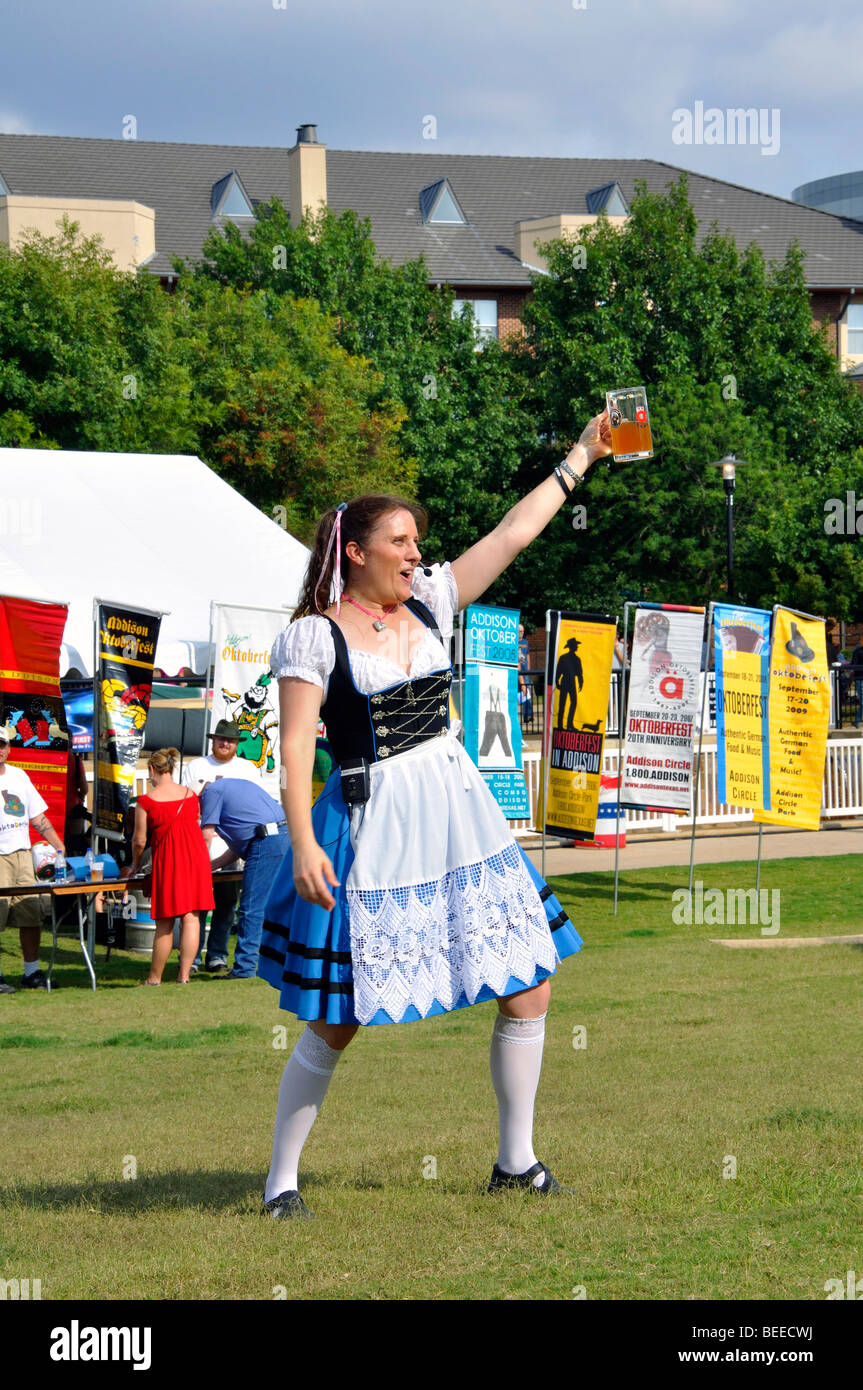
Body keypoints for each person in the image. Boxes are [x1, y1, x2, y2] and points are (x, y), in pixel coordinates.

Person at [257, 409, 612, 1218]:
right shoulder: (314, 638)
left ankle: (515, 1162)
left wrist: (581, 455)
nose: (416, 555)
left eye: (418, 543)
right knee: (336, 1015)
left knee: (528, 980)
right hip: (372, 820)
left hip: (457, 813)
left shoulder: (432, 604)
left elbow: (514, 533)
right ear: (355, 551)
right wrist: (304, 841)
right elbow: (298, 749)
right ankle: (281, 1180)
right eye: (401, 543)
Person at [121, 747, 214, 985]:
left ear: (152, 769)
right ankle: (184, 976)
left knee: (165, 921)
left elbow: (139, 841)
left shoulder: (146, 801)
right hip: (195, 859)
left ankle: (155, 977)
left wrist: (137, 865)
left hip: (170, 860)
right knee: (192, 917)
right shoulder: (190, 795)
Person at [182, 720, 260, 974]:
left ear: (237, 744)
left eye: (230, 740)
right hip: (199, 843)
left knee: (226, 903)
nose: (225, 743)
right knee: (195, 906)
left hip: (230, 844)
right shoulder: (196, 766)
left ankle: (217, 955)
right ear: (212, 740)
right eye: (220, 739)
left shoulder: (247, 768)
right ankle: (191, 958)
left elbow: (253, 804)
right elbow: (186, 802)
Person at [198, 777, 290, 979]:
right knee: (280, 906)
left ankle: (245, 968)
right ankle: (281, 962)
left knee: (251, 909)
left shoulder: (210, 793)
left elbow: (206, 833)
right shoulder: (231, 787)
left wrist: (197, 868)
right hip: (284, 835)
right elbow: (242, 847)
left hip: (266, 840)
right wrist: (210, 866)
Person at [0, 723, 66, 993]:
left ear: (8, 748)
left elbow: (38, 818)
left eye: (2, 745)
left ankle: (31, 973)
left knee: (31, 915)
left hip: (24, 854)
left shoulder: (19, 776)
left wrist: (60, 850)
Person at [517, 623, 533, 727]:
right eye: (520, 631)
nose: (522, 633)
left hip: (525, 671)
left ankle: (528, 714)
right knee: (519, 694)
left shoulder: (525, 642)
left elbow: (527, 655)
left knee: (527, 693)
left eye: (522, 631)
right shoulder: (513, 642)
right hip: (517, 672)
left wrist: (529, 669)